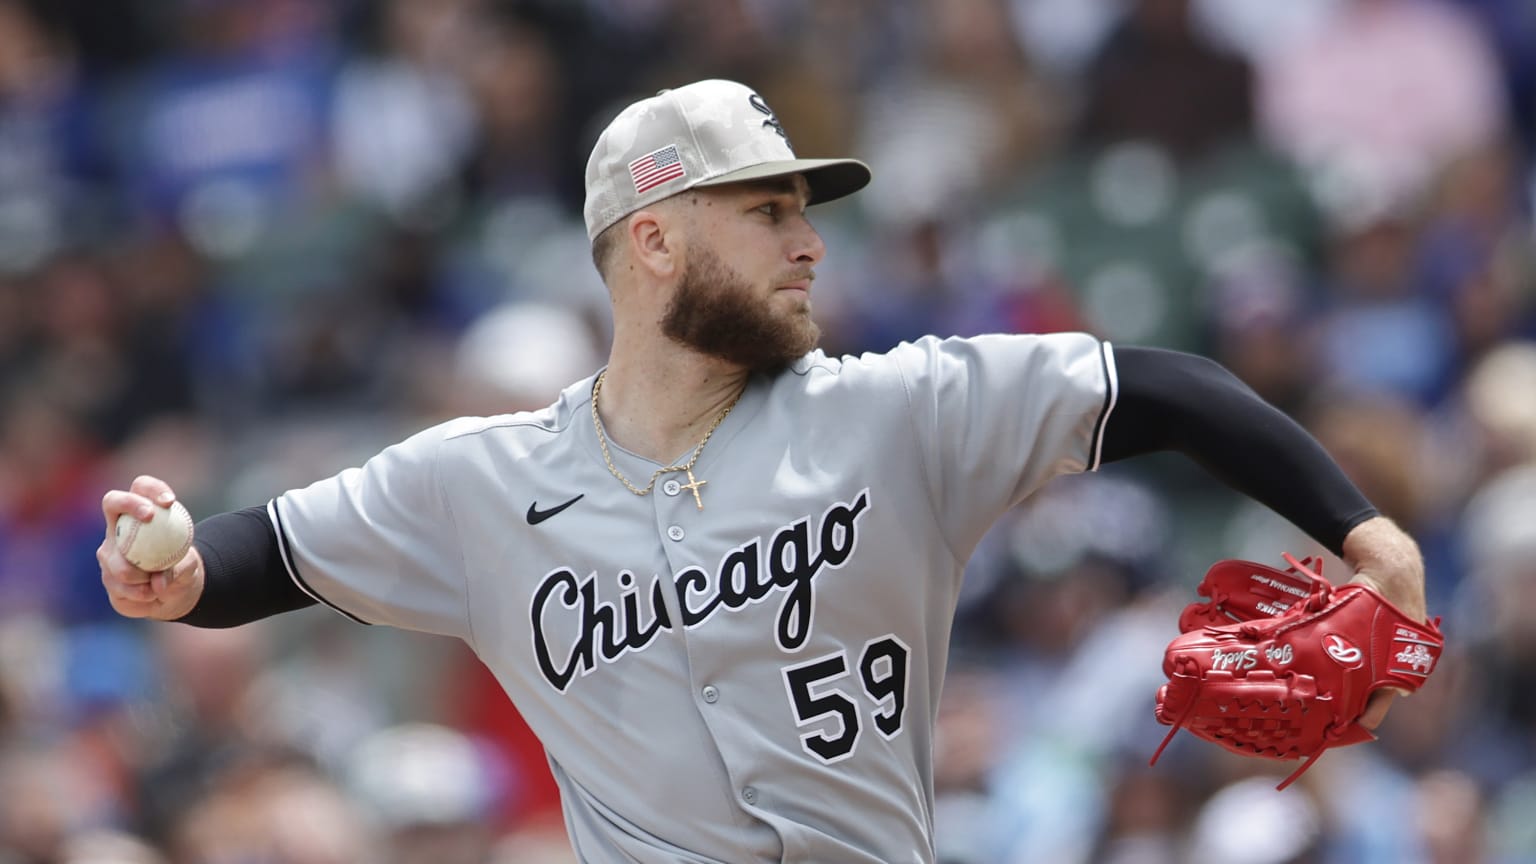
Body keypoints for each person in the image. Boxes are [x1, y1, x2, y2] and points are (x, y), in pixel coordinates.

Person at [97, 79, 1428, 864]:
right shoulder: (481, 482)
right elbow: (264, 555)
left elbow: (1168, 388)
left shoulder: (895, 413)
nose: (809, 243)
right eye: (768, 210)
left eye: (804, 212)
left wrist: (1368, 534)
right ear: (656, 242)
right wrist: (178, 569)